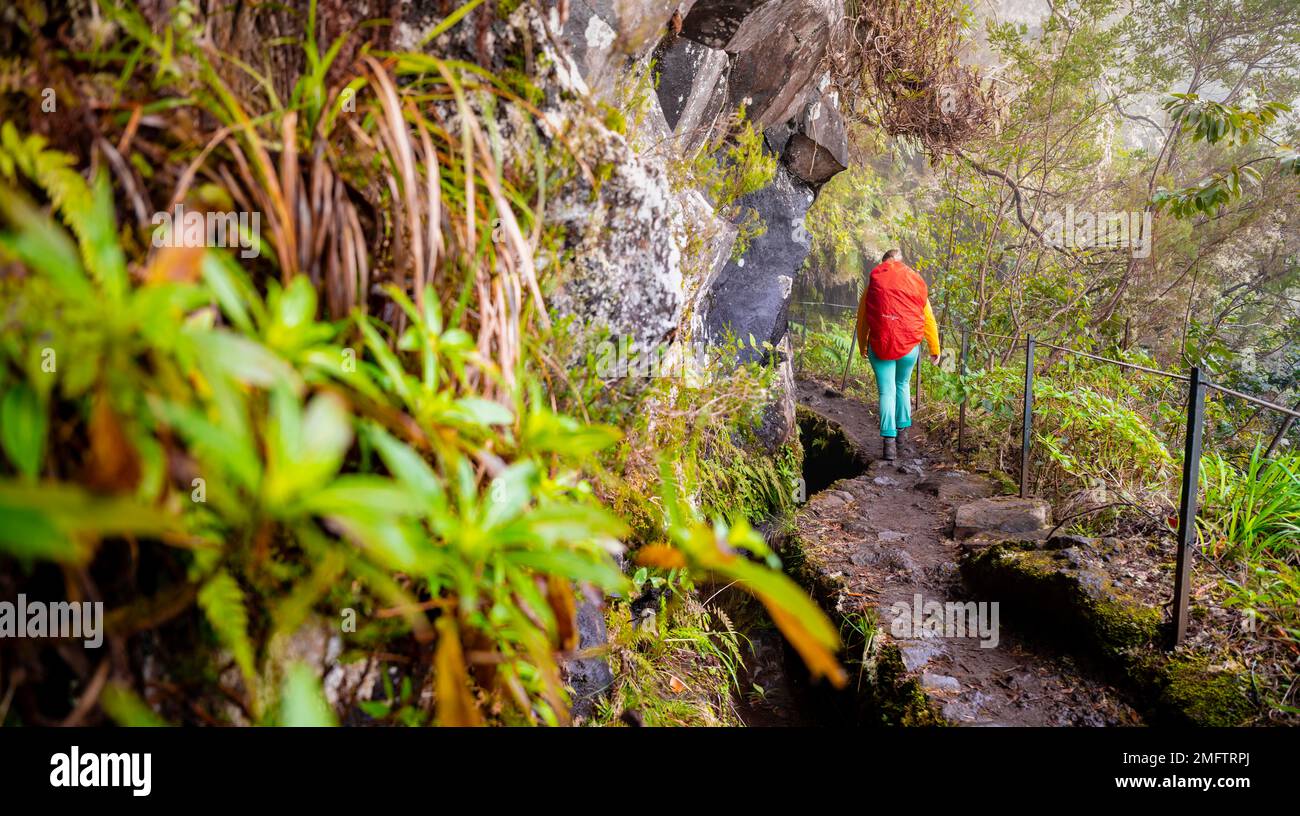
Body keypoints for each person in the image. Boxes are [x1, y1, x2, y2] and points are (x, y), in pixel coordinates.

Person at [855, 249, 941, 461]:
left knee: (887, 392)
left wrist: (863, 345)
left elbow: (863, 318)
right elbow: (928, 318)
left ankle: (889, 446)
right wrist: (934, 349)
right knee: (903, 385)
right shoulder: (913, 285)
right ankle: (903, 438)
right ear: (902, 263)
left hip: (880, 345)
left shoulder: (874, 286)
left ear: (883, 263)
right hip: (909, 347)